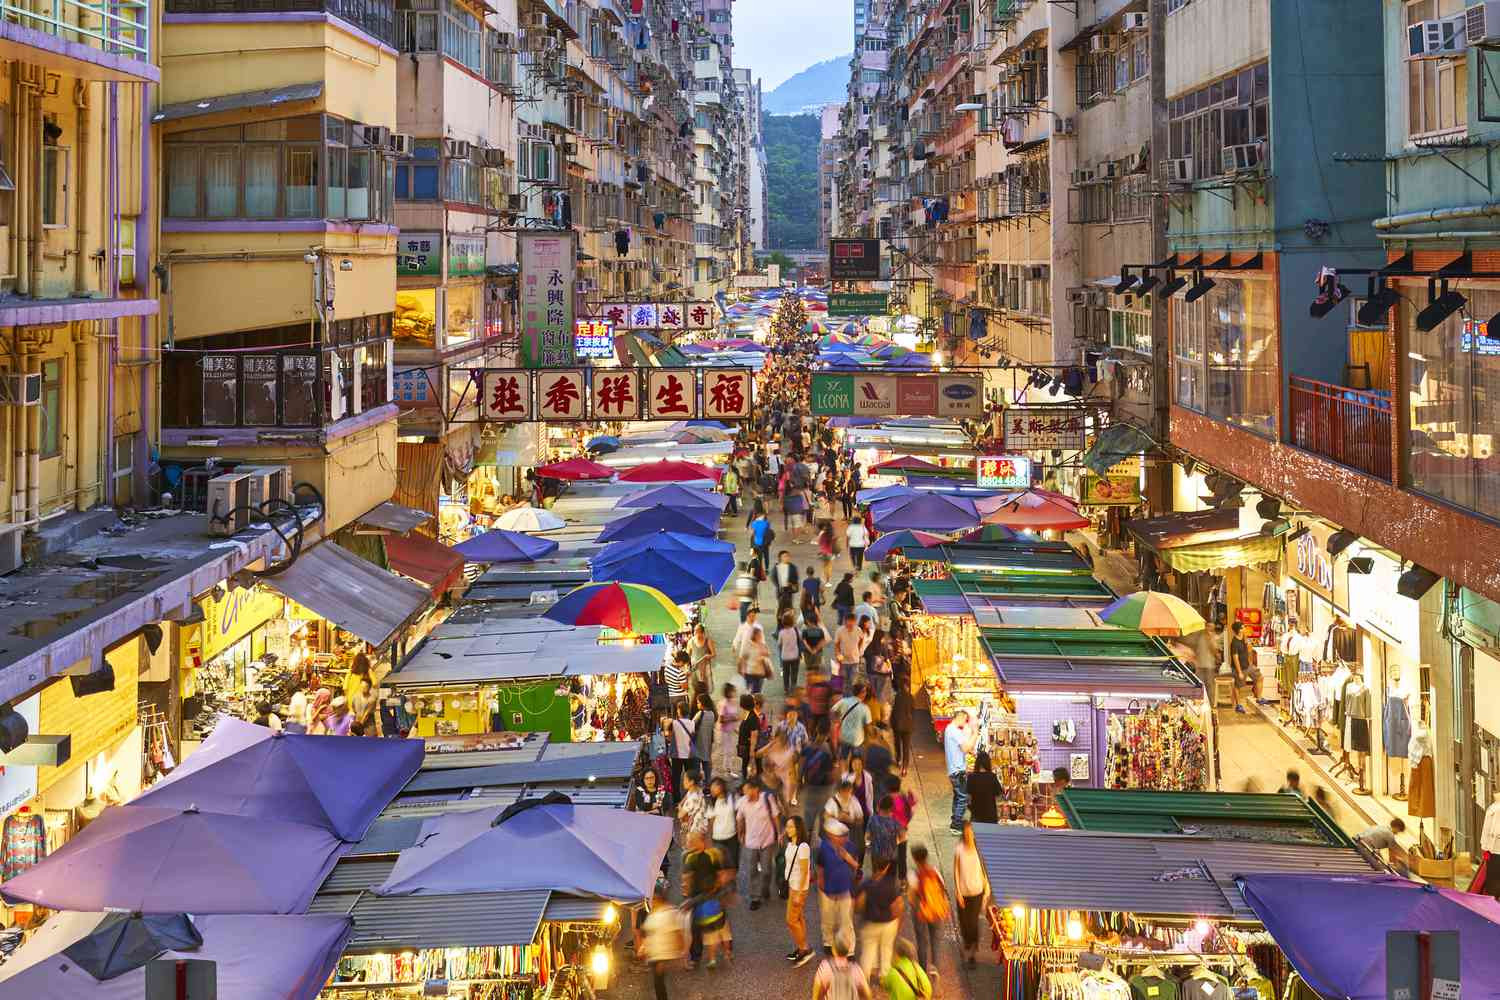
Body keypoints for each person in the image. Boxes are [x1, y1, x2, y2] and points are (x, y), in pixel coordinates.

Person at [682, 831, 730, 970]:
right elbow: (687, 877)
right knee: (698, 926)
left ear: (699, 841)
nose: (688, 843)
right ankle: (698, 956)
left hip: (708, 895)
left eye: (690, 841)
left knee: (717, 923)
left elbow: (720, 874)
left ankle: (723, 950)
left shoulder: (712, 854)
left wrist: (717, 888)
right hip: (700, 896)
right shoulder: (690, 856)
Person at [855, 854, 904, 981]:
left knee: (868, 953)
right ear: (886, 868)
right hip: (888, 924)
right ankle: (884, 978)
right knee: (886, 951)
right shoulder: (892, 884)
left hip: (870, 923)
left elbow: (858, 905)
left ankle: (864, 979)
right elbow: (898, 906)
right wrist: (897, 922)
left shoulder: (866, 884)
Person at [816, 818, 859, 955]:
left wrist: (847, 857)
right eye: (840, 836)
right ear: (831, 836)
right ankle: (828, 942)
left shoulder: (851, 847)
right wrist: (821, 883)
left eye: (844, 836)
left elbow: (856, 867)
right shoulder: (823, 847)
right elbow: (820, 866)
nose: (843, 838)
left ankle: (849, 949)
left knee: (846, 921)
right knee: (827, 918)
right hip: (827, 890)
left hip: (845, 890)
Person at [736, 778, 781, 910]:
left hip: (767, 840)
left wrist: (779, 833)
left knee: (766, 870)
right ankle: (755, 897)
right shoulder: (743, 802)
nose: (745, 794)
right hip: (751, 842)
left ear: (756, 789)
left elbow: (775, 816)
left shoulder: (767, 799)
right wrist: (740, 833)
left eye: (747, 790)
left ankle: (765, 889)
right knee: (752, 871)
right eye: (744, 791)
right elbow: (740, 818)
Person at [953, 822, 990, 968]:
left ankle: (973, 953)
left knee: (973, 922)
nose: (969, 835)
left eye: (971, 832)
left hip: (977, 891)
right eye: (967, 832)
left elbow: (984, 871)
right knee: (963, 921)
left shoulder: (979, 850)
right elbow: (956, 870)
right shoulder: (959, 849)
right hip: (963, 891)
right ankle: (968, 942)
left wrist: (986, 891)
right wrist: (958, 890)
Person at [640, 887, 687, 1000]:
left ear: (660, 899)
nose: (652, 902)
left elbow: (677, 933)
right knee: (658, 981)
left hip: (663, 954)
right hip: (655, 954)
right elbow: (648, 932)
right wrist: (643, 948)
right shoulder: (653, 913)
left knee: (659, 982)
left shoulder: (670, 913)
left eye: (654, 899)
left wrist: (681, 951)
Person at [907, 845, 948, 975]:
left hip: (920, 912)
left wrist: (915, 907)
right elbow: (942, 889)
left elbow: (911, 896)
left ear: (914, 858)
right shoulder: (935, 871)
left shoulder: (913, 874)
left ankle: (923, 971)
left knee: (922, 942)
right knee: (935, 941)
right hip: (936, 910)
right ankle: (935, 968)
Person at [782, 815, 815, 966]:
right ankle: (802, 947)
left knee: (791, 920)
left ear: (798, 828)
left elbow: (804, 871)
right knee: (798, 917)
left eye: (791, 827)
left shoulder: (803, 847)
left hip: (798, 887)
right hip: (792, 885)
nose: (787, 829)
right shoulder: (791, 844)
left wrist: (800, 893)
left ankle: (805, 948)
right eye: (787, 826)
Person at [944, 709, 979, 833]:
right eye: (965, 720)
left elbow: (965, 748)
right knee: (963, 798)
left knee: (958, 797)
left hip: (953, 770)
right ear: (961, 717)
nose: (965, 723)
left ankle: (955, 821)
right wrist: (975, 732)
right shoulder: (954, 731)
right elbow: (965, 748)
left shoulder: (949, 729)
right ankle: (956, 825)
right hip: (958, 770)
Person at [707, 777, 740, 878]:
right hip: (717, 838)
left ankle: (732, 883)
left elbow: (738, 816)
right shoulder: (712, 802)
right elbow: (711, 822)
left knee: (733, 864)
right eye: (711, 788)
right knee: (719, 865)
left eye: (714, 787)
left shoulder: (732, 798)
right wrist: (709, 839)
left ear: (721, 786)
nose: (712, 790)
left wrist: (740, 832)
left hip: (732, 837)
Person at [1228, 620, 1263, 713]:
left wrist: (1250, 662)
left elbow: (1248, 651)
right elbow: (1235, 658)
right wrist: (1239, 672)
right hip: (1239, 668)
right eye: (1243, 628)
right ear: (1239, 630)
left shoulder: (1243, 639)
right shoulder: (1234, 643)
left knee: (1259, 677)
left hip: (1248, 666)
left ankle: (1259, 698)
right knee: (1238, 686)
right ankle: (1238, 705)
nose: (1244, 629)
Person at [832, 683, 873, 760]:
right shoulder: (865, 708)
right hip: (857, 740)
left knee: (843, 759)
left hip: (844, 737)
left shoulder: (844, 701)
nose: (866, 694)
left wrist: (837, 720)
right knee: (857, 761)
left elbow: (833, 711)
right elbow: (868, 727)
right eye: (864, 691)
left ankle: (843, 767)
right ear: (861, 693)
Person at [866, 795, 902, 874]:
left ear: (879, 806)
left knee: (877, 874)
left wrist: (869, 847)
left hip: (876, 854)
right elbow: (901, 837)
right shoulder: (896, 820)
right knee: (890, 876)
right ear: (891, 808)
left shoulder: (873, 819)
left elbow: (867, 837)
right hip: (891, 855)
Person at [966, 749, 1003, 824]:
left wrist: (970, 807)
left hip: (976, 813)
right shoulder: (992, 777)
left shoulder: (971, 777)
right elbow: (999, 794)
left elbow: (968, 797)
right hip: (990, 814)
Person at [833, 616, 868, 691]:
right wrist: (838, 654)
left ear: (855, 622)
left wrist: (858, 650)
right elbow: (836, 644)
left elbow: (861, 640)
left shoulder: (858, 630)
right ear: (845, 621)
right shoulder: (839, 631)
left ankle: (851, 696)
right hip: (843, 661)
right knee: (844, 682)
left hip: (854, 660)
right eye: (848, 623)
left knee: (853, 682)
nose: (850, 625)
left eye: (852, 623)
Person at [739, 624, 774, 696]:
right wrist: (743, 670)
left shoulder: (762, 645)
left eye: (760, 635)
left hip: (760, 673)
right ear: (754, 635)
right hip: (750, 673)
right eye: (758, 635)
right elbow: (743, 658)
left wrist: (764, 655)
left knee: (758, 693)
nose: (760, 636)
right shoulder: (748, 645)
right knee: (750, 693)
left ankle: (756, 702)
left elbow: (768, 654)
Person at [717, 684, 742, 778]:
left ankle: (728, 769)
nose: (735, 692)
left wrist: (736, 729)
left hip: (731, 731)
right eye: (733, 691)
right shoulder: (724, 704)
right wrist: (733, 719)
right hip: (725, 732)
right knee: (727, 752)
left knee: (730, 751)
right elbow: (721, 720)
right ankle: (728, 771)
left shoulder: (732, 702)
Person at [890, 678, 914, 777]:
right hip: (907, 725)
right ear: (907, 686)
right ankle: (904, 768)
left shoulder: (897, 697)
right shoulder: (910, 697)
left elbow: (894, 710)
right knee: (906, 747)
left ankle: (898, 759)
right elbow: (912, 710)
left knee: (897, 743)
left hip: (897, 725)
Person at [777, 610, 804, 693]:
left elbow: (779, 644)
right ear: (792, 621)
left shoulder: (781, 632)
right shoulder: (796, 631)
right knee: (794, 673)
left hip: (785, 656)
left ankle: (786, 688)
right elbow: (801, 639)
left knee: (786, 673)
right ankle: (793, 687)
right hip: (795, 656)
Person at [692, 693, 716, 784]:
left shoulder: (700, 714)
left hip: (698, 743)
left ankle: (697, 783)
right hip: (707, 743)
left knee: (697, 766)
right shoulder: (712, 714)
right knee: (706, 764)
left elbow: (692, 724)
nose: (697, 704)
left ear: (702, 703)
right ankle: (708, 782)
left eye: (698, 703)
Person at [738, 693, 762, 778]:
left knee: (749, 766)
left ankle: (747, 781)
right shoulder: (747, 714)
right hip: (745, 745)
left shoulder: (752, 717)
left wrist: (752, 751)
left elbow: (754, 735)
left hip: (749, 746)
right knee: (745, 765)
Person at [801, 609, 830, 681]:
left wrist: (810, 650)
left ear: (808, 621)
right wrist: (816, 649)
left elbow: (804, 642)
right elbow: (823, 641)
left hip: (807, 652)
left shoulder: (805, 631)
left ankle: (809, 681)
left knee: (809, 668)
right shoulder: (820, 631)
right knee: (816, 668)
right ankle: (815, 682)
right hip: (818, 652)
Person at [689, 624, 717, 693]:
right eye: (695, 631)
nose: (695, 633)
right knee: (696, 685)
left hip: (705, 666)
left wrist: (708, 656)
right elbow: (688, 654)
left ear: (702, 633)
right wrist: (688, 666)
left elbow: (714, 654)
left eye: (697, 631)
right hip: (695, 667)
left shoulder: (708, 641)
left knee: (706, 685)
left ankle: (706, 695)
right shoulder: (691, 641)